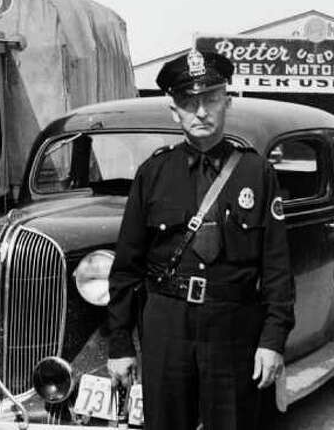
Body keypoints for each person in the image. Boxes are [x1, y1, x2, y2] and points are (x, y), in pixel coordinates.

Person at [106, 49, 294, 430]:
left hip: (234, 324)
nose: (202, 112)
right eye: (189, 103)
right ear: (174, 111)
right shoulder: (154, 174)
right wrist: (121, 344)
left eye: (210, 100)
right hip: (167, 322)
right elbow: (127, 266)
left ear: (227, 102)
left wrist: (273, 340)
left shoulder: (257, 174)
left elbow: (276, 268)